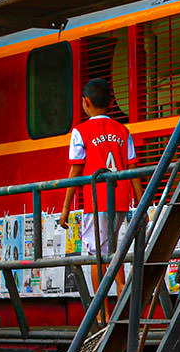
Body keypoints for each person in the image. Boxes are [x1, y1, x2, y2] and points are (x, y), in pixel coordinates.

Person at [59, 79, 137, 296]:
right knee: (111, 247)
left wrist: (65, 208)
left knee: (96, 253)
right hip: (121, 198)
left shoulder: (80, 131)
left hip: (97, 200)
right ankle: (121, 289)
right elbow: (132, 168)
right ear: (111, 102)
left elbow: (75, 172)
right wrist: (141, 200)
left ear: (86, 102)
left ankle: (101, 313)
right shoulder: (122, 130)